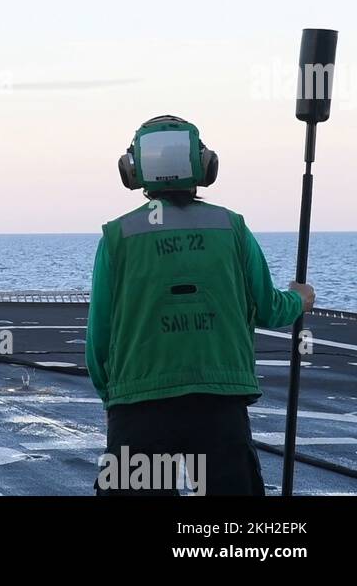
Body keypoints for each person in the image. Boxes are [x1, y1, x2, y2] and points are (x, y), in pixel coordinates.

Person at [86, 115, 315, 496]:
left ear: (132, 170)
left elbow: (100, 334)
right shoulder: (231, 227)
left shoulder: (118, 235)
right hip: (218, 407)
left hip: (139, 407)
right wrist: (300, 298)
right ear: (205, 164)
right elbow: (270, 308)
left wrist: (111, 396)